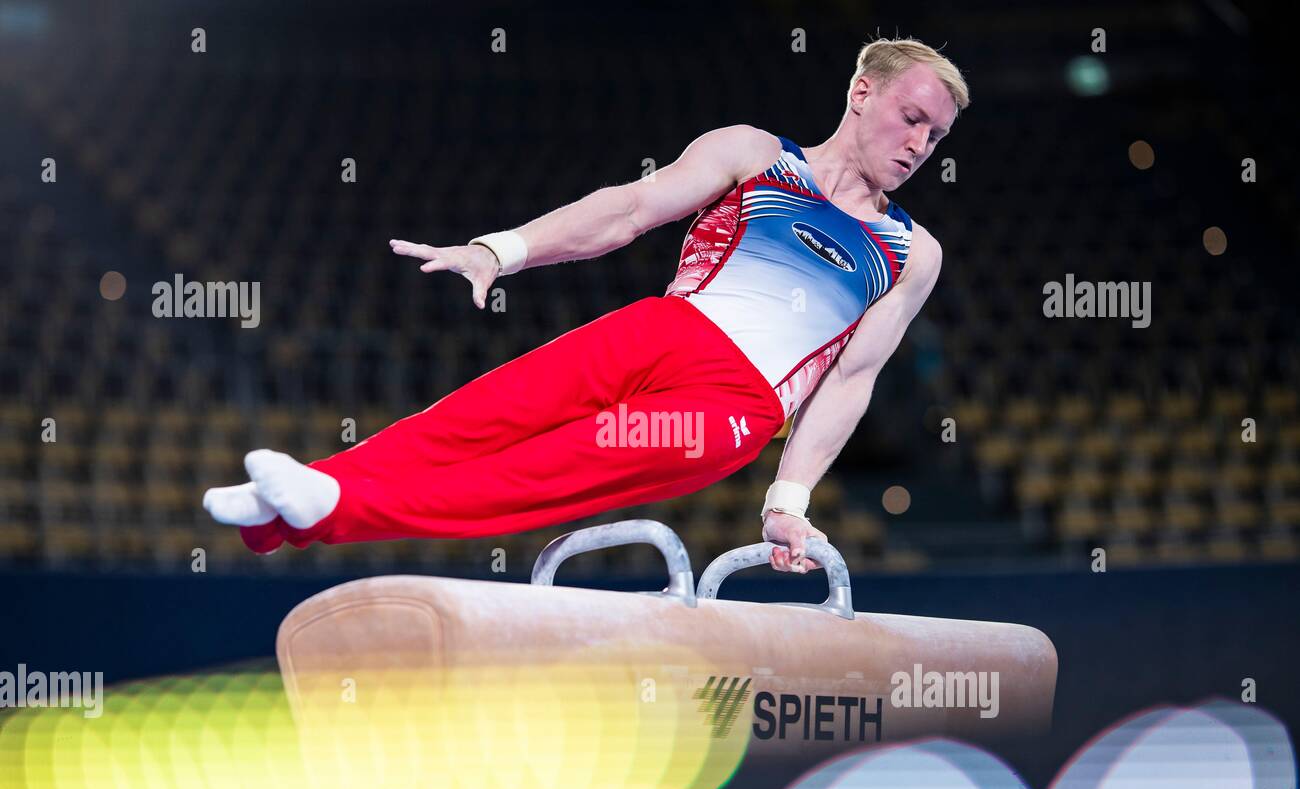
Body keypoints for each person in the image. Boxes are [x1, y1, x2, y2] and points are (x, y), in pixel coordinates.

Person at [203, 37, 968, 574]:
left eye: (934, 137)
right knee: (476, 418)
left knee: (537, 469)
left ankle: (329, 507)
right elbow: (629, 209)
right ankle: (283, 509)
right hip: (661, 328)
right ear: (861, 92)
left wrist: (786, 500)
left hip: (733, 406)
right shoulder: (756, 154)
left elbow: (849, 381)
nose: (918, 145)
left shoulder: (910, 253)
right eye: (911, 118)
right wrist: (501, 250)